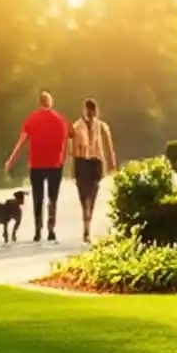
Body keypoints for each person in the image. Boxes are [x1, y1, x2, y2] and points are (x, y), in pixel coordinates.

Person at [4, 91, 70, 244]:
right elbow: (67, 142)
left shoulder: (31, 119)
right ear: (50, 102)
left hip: (37, 165)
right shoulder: (60, 120)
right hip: (55, 165)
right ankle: (51, 229)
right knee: (53, 198)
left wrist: (10, 160)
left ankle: (37, 230)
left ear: (39, 103)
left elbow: (21, 142)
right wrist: (64, 160)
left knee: (38, 198)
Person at [70, 98, 116, 244]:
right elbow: (71, 149)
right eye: (88, 111)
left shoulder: (102, 127)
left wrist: (112, 163)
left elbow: (109, 147)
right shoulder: (76, 127)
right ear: (84, 111)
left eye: (92, 111)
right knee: (84, 196)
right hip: (82, 162)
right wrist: (72, 166)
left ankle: (87, 221)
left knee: (92, 193)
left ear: (96, 111)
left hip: (96, 162)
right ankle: (86, 222)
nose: (90, 114)